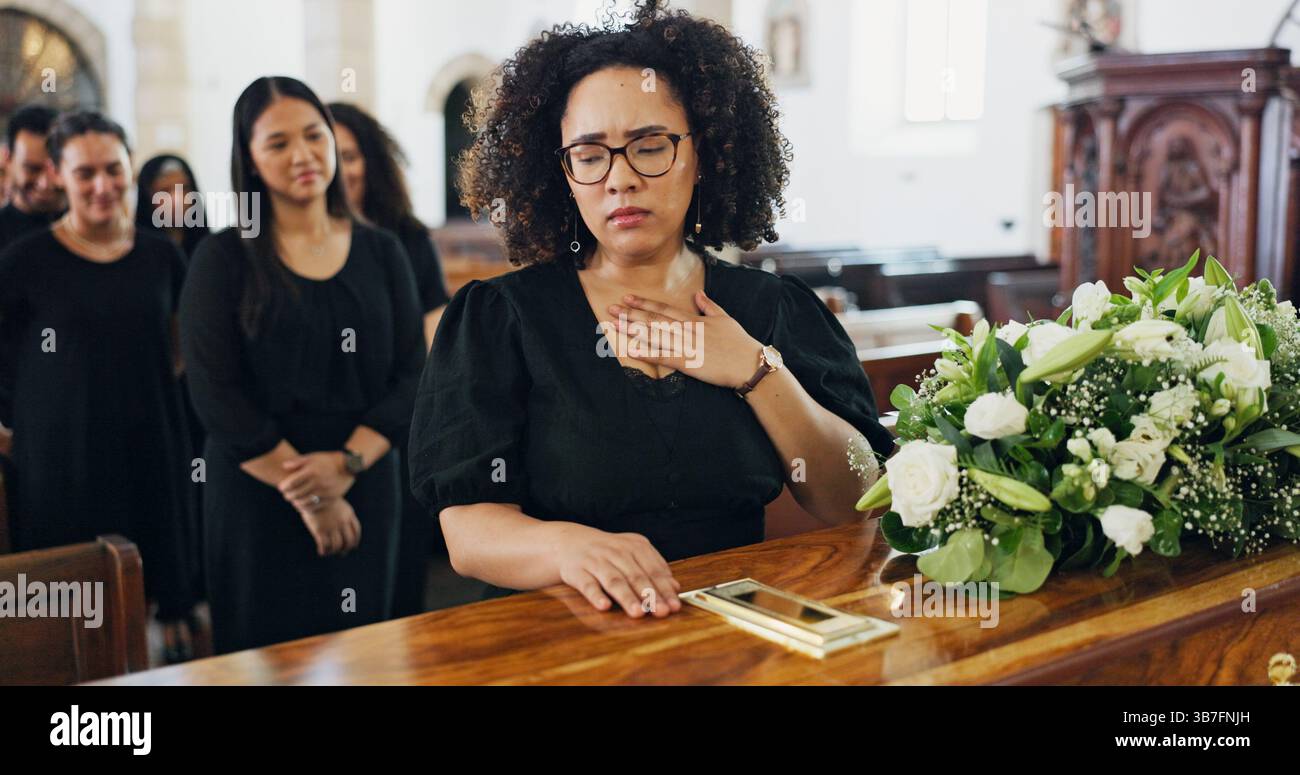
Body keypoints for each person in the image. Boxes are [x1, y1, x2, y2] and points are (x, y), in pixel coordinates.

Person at [409, 1, 892, 620]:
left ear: (705, 154)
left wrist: (753, 368)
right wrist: (569, 547)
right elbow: (467, 533)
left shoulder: (772, 310)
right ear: (561, 172)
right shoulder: (501, 318)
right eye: (589, 154)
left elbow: (854, 496)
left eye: (650, 145)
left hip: (732, 625)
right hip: (550, 632)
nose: (620, 179)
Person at [179, 76, 424, 654]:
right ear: (250, 159)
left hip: (364, 480)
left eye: (315, 136)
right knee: (266, 663)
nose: (303, 155)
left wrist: (346, 465)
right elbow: (216, 393)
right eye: (278, 143)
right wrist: (315, 495)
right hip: (257, 493)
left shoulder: (381, 251)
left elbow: (414, 373)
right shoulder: (223, 256)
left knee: (364, 656)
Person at [0, 111, 198, 657]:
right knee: (69, 634)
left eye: (114, 169)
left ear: (131, 168)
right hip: (62, 469)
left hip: (150, 456)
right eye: (85, 173)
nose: (103, 185)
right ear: (59, 176)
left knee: (152, 630)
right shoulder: (24, 262)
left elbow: (180, 350)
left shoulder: (162, 257)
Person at [328, 102, 450, 616]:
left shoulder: (404, 237)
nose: (337, 168)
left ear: (371, 163)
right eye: (326, 153)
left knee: (391, 598)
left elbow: (431, 337)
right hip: (318, 435)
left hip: (395, 431)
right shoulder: (282, 244)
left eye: (350, 155)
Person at [0, 105, 65, 251]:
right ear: (7, 159)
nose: (45, 183)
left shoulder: (94, 230)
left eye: (55, 168)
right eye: (32, 169)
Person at [135, 154, 211, 258]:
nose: (177, 199)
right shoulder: (136, 253)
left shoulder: (210, 250)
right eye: (165, 191)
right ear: (147, 196)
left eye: (184, 188)